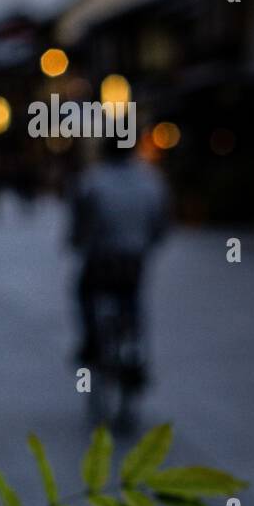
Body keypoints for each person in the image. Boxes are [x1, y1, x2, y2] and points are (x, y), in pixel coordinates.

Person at [69, 141, 170, 371]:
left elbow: (79, 221)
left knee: (84, 291)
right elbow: (160, 222)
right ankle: (135, 351)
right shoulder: (151, 180)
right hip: (134, 257)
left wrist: (76, 240)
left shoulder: (92, 179)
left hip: (101, 257)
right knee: (132, 297)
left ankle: (92, 343)